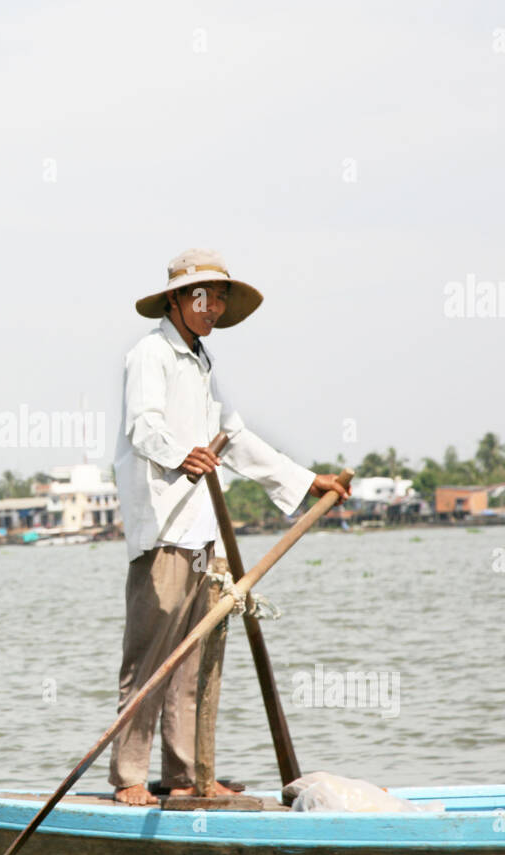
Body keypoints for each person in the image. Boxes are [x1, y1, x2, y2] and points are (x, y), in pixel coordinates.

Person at [110, 248, 348, 806]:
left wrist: (306, 480)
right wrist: (180, 454)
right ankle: (128, 778)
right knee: (152, 658)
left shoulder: (201, 363)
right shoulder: (152, 355)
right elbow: (143, 427)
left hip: (203, 532)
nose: (214, 307)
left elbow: (235, 438)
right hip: (165, 529)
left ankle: (190, 774)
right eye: (205, 296)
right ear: (175, 299)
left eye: (220, 298)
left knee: (198, 660)